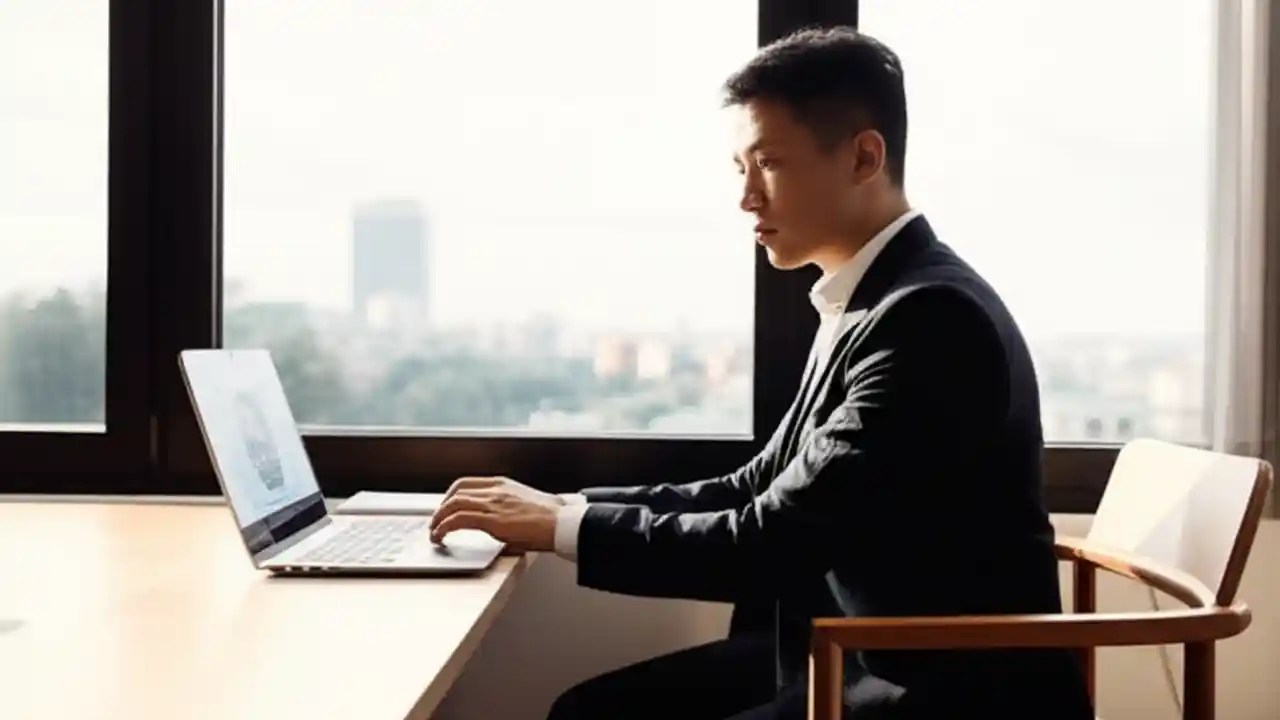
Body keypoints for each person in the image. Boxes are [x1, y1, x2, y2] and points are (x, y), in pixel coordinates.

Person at [428, 26, 1093, 720]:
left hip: (930, 690)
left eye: (768, 163)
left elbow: (773, 540)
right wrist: (564, 507)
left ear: (865, 156)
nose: (747, 196)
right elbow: (756, 485)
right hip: (842, 655)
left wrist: (562, 529)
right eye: (738, 168)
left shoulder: (930, 320)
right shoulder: (870, 299)